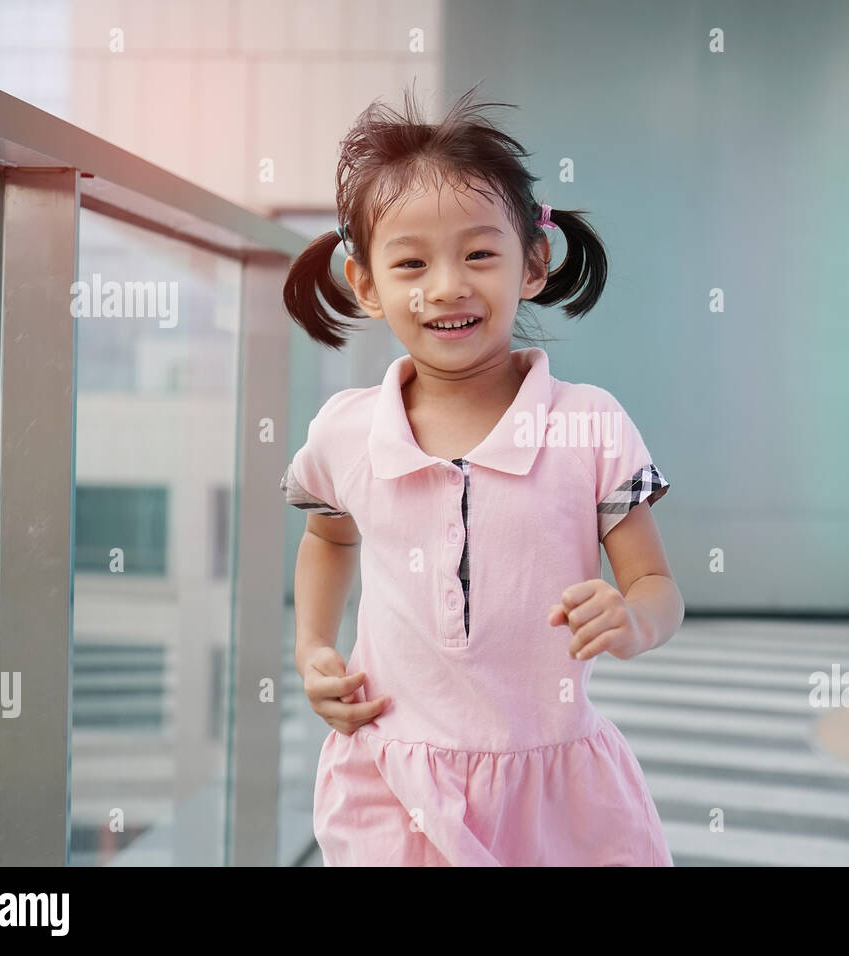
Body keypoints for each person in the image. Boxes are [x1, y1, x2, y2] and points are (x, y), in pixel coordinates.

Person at [279, 81, 682, 866]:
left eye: (478, 254)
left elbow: (656, 586)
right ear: (366, 286)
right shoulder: (347, 430)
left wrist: (634, 621)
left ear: (532, 264)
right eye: (410, 262)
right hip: (392, 785)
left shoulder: (588, 422)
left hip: (556, 795)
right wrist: (310, 647)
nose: (447, 286)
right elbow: (329, 538)